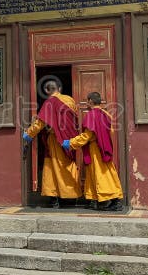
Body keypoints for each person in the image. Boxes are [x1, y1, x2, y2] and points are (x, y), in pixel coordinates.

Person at [22, 79, 81, 208]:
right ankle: (70, 197)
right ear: (59, 89)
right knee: (67, 166)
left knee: (52, 166)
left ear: (47, 91)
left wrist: (29, 134)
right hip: (70, 140)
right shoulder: (70, 100)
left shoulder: (49, 103)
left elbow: (40, 123)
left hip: (55, 139)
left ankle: (54, 199)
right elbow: (75, 119)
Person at [62, 91, 124, 211]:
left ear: (90, 101)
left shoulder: (92, 115)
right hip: (103, 146)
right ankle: (93, 200)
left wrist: (71, 143)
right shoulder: (106, 114)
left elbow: (87, 136)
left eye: (87, 100)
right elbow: (109, 131)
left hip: (96, 148)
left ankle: (115, 200)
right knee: (97, 173)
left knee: (101, 174)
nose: (86, 103)